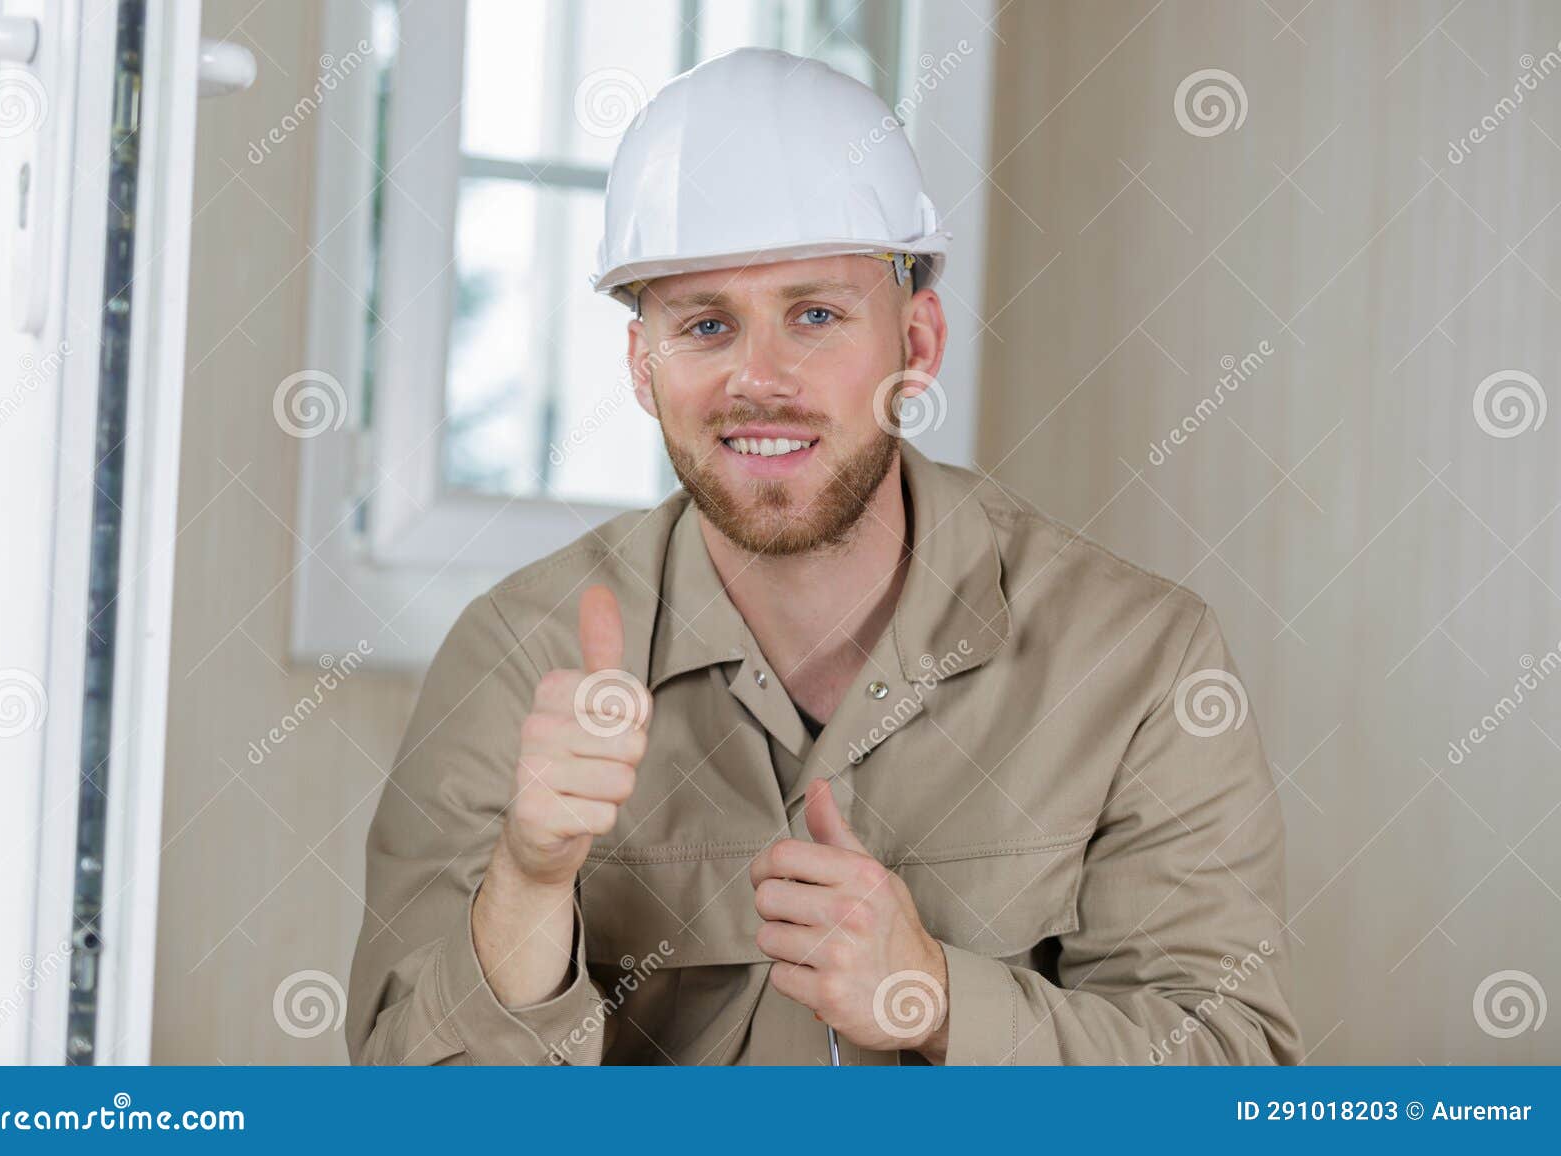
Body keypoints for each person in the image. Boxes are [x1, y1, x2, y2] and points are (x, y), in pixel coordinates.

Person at [346, 47, 1302, 1066]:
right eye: (706, 324)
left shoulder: (1137, 658)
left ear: (918, 343)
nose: (760, 379)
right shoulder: (513, 658)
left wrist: (937, 1000)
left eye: (815, 315)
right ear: (641, 367)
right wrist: (530, 884)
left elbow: (1231, 1076)